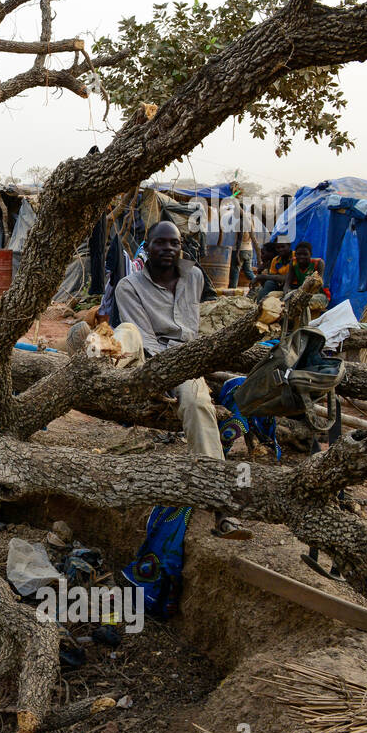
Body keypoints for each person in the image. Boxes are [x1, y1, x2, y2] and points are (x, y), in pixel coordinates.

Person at [113, 220, 251, 540]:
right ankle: (103, 377)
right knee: (126, 333)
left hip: (186, 361)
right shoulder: (129, 286)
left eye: (174, 243)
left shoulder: (194, 277)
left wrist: (187, 367)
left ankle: (223, 506)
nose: (168, 249)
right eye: (160, 243)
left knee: (197, 402)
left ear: (180, 247)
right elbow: (145, 338)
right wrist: (159, 374)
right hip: (146, 358)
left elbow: (190, 330)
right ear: (147, 247)